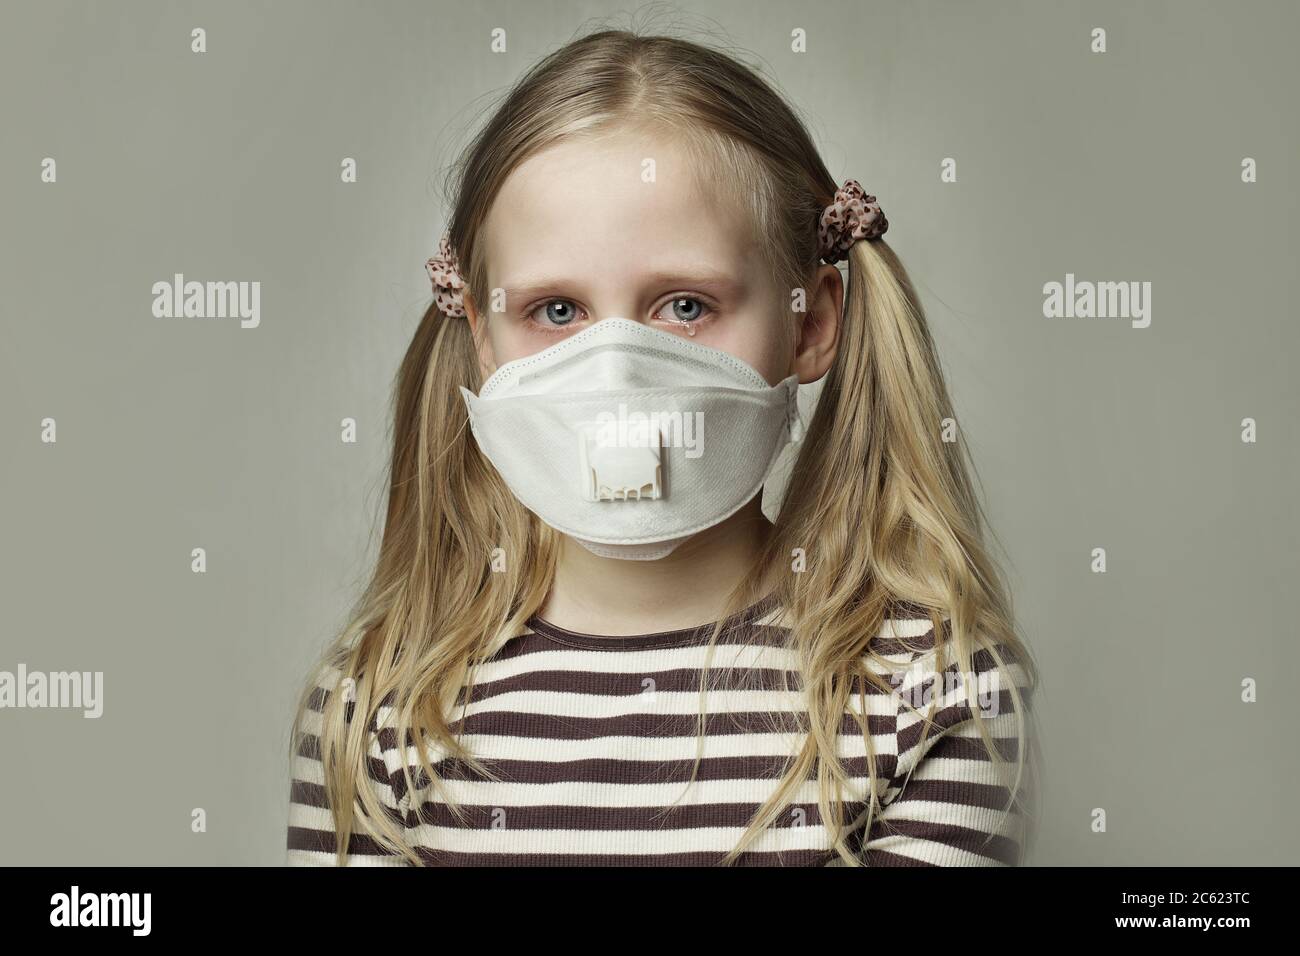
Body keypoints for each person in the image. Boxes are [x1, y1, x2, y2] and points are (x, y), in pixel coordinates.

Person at [286, 27, 1039, 867]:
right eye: (556, 312)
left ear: (811, 321)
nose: (616, 372)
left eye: (684, 305)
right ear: (482, 342)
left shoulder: (928, 694)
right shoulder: (381, 709)